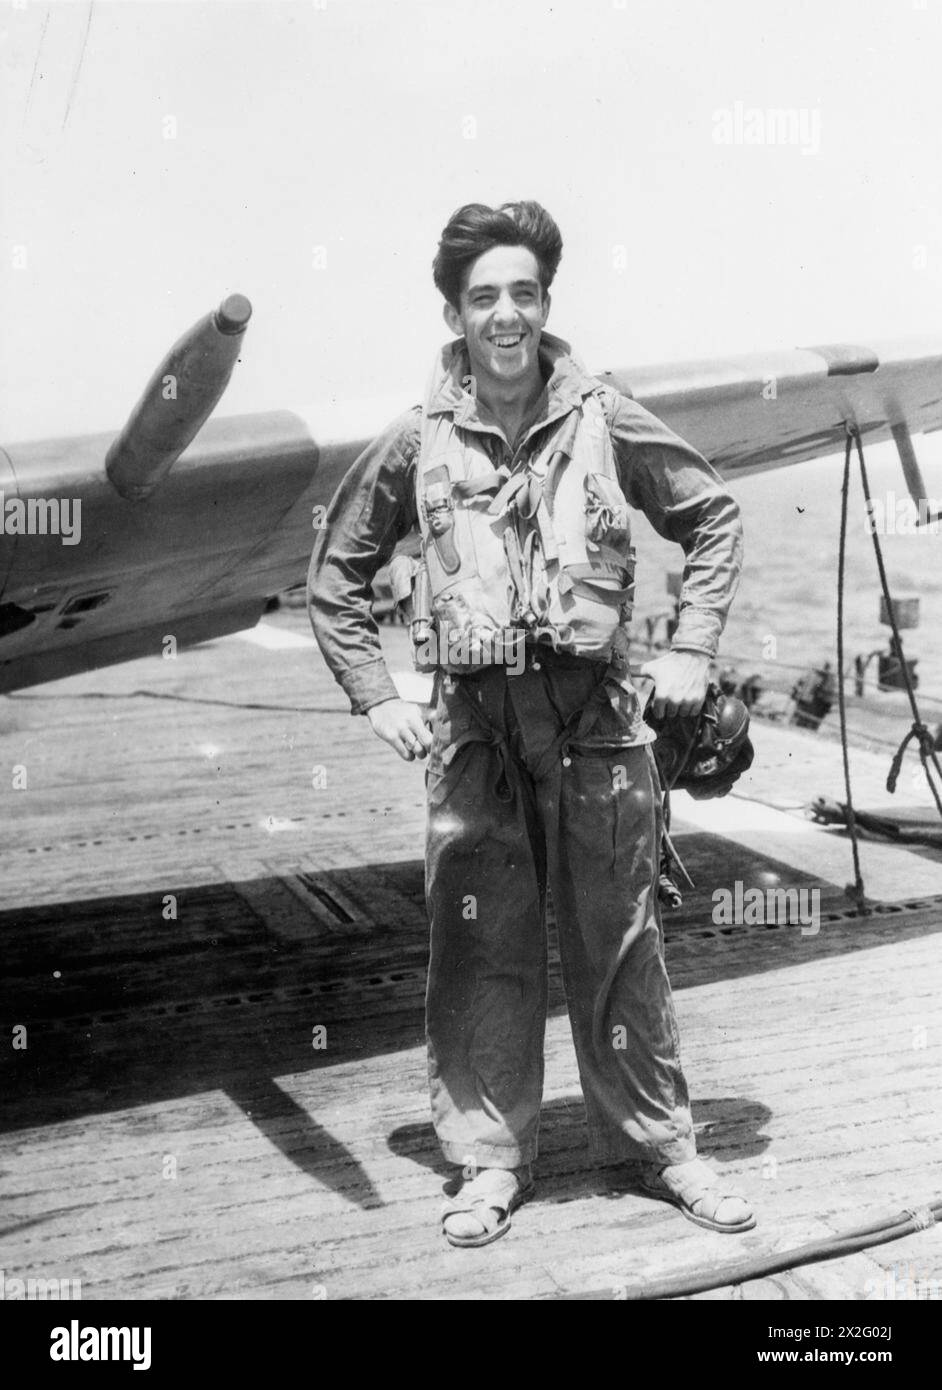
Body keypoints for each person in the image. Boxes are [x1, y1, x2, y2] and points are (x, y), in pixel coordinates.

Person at [307, 201, 753, 1247]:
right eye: (483, 297)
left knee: (621, 941)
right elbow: (337, 572)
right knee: (481, 951)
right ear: (456, 314)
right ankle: (487, 1162)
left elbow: (712, 513)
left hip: (597, 723)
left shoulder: (605, 415)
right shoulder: (415, 440)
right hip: (474, 735)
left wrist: (690, 649)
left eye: (523, 293)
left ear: (546, 304)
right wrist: (375, 692)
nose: (505, 314)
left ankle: (660, 1147)